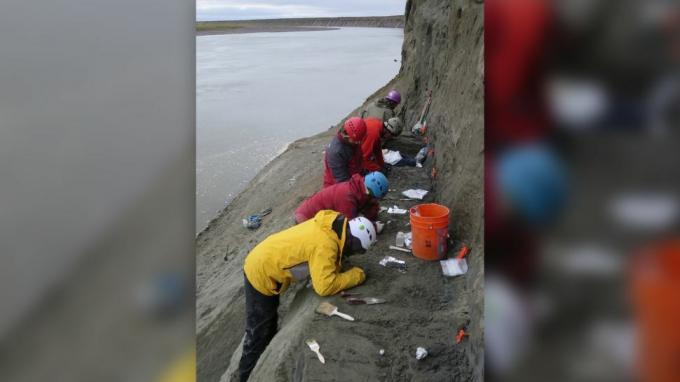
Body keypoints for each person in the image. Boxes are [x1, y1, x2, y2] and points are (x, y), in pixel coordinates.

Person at [238, 211, 376, 382]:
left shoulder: (331, 225)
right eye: (356, 250)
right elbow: (324, 286)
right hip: (260, 271)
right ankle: (244, 376)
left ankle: (267, 345)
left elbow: (326, 256)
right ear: (352, 241)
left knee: (268, 319)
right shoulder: (326, 244)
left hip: (264, 258)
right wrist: (356, 275)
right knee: (257, 332)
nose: (353, 254)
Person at [295, 171, 389, 226]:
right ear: (369, 194)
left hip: (313, 212)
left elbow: (369, 204)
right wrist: (373, 227)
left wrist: (372, 215)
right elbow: (350, 225)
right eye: (375, 198)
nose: (376, 201)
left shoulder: (360, 188)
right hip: (306, 218)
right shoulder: (347, 197)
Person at [323, 117, 367, 187]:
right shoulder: (336, 152)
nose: (358, 143)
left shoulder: (353, 142)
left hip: (356, 178)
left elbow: (359, 161)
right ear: (346, 135)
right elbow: (342, 181)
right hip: (338, 187)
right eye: (356, 141)